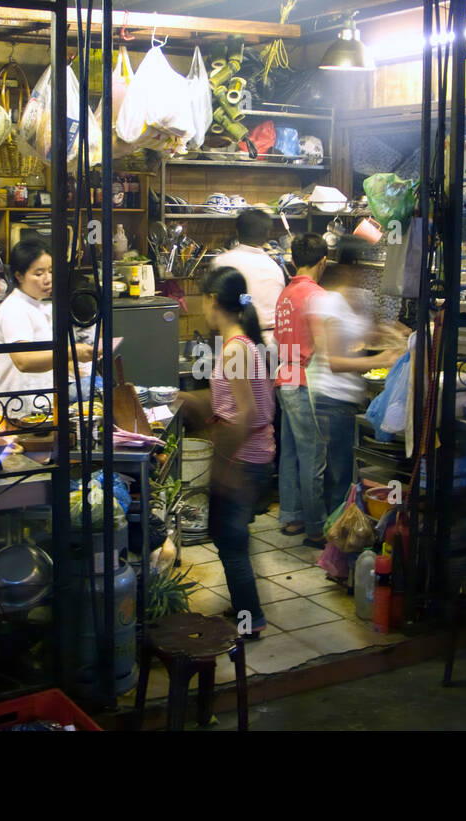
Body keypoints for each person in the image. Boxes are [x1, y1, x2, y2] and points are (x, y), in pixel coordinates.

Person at [178, 267, 274, 639]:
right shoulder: (242, 345)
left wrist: (225, 467)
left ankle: (251, 620)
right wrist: (190, 399)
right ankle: (246, 610)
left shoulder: (236, 349)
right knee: (231, 538)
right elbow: (236, 401)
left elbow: (246, 414)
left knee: (231, 543)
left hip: (245, 460)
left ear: (213, 300)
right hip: (252, 456)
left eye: (203, 300)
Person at [307, 264, 403, 519]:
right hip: (333, 400)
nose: (361, 276)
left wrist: (394, 336)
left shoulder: (357, 299)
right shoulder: (330, 303)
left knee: (344, 473)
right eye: (358, 270)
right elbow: (334, 362)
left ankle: (339, 529)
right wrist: (379, 360)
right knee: (339, 477)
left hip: (348, 399)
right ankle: (335, 533)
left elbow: (369, 334)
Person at [0, 236, 96, 422]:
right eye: (38, 274)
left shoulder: (40, 306)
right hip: (15, 411)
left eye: (51, 271)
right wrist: (72, 352)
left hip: (37, 406)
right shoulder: (15, 309)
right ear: (19, 275)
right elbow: (24, 361)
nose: (48, 279)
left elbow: (46, 355)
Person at [273, 233, 329, 547]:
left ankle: (292, 517)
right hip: (306, 381)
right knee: (313, 457)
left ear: (294, 260)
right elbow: (323, 342)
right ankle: (316, 527)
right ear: (323, 261)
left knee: (291, 453)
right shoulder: (316, 295)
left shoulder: (286, 294)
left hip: (285, 378)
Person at [212, 210, 286, 349]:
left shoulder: (221, 262)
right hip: (272, 343)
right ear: (267, 234)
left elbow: (215, 305)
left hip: (236, 341)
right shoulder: (275, 268)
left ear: (237, 232)